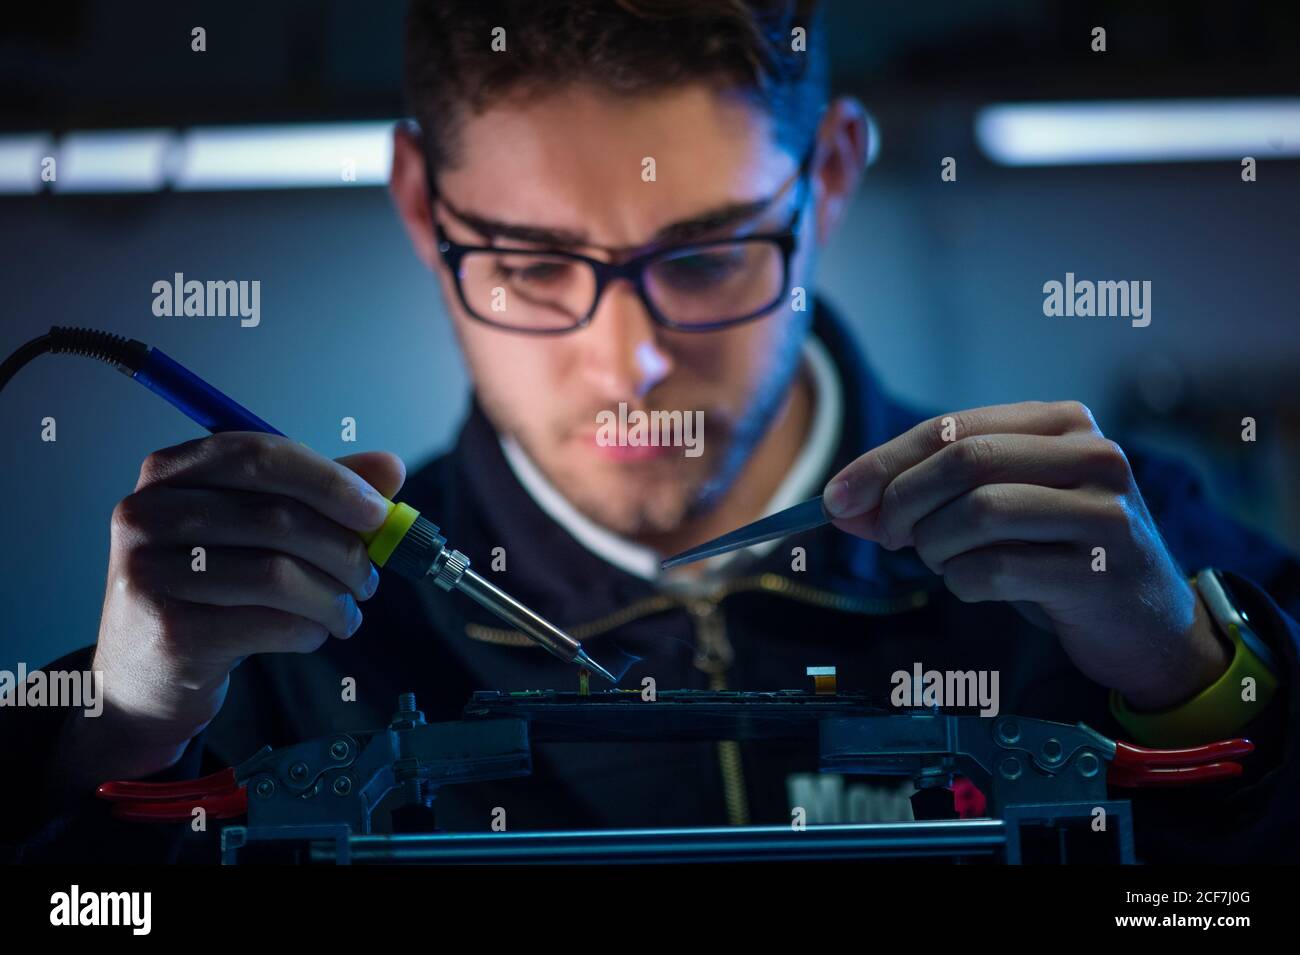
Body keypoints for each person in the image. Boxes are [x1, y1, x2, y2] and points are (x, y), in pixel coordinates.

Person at [4, 0, 1297, 864]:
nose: (629, 360)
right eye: (528, 261)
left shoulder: (1128, 560)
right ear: (419, 203)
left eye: (708, 254)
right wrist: (110, 738)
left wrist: (1191, 688)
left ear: (831, 176)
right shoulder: (266, 660)